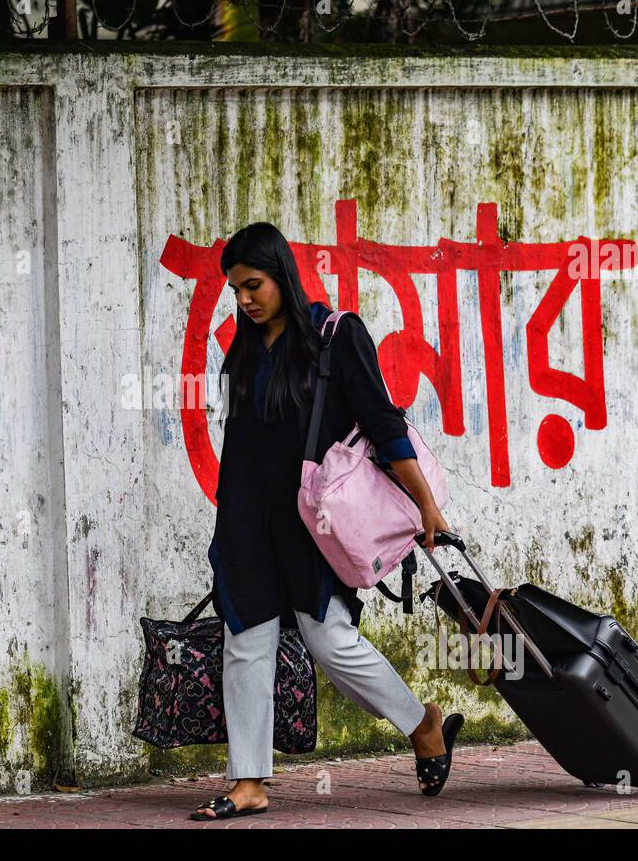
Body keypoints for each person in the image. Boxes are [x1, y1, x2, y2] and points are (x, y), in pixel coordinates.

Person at [191, 222, 464, 821]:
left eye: (254, 285)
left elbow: (383, 423)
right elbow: (239, 444)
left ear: (281, 276)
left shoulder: (334, 337)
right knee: (246, 644)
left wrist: (426, 507)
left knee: (331, 643)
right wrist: (225, 528)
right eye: (235, 289)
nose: (244, 300)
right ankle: (249, 782)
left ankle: (423, 723)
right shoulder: (242, 351)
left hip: (311, 525)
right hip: (245, 521)